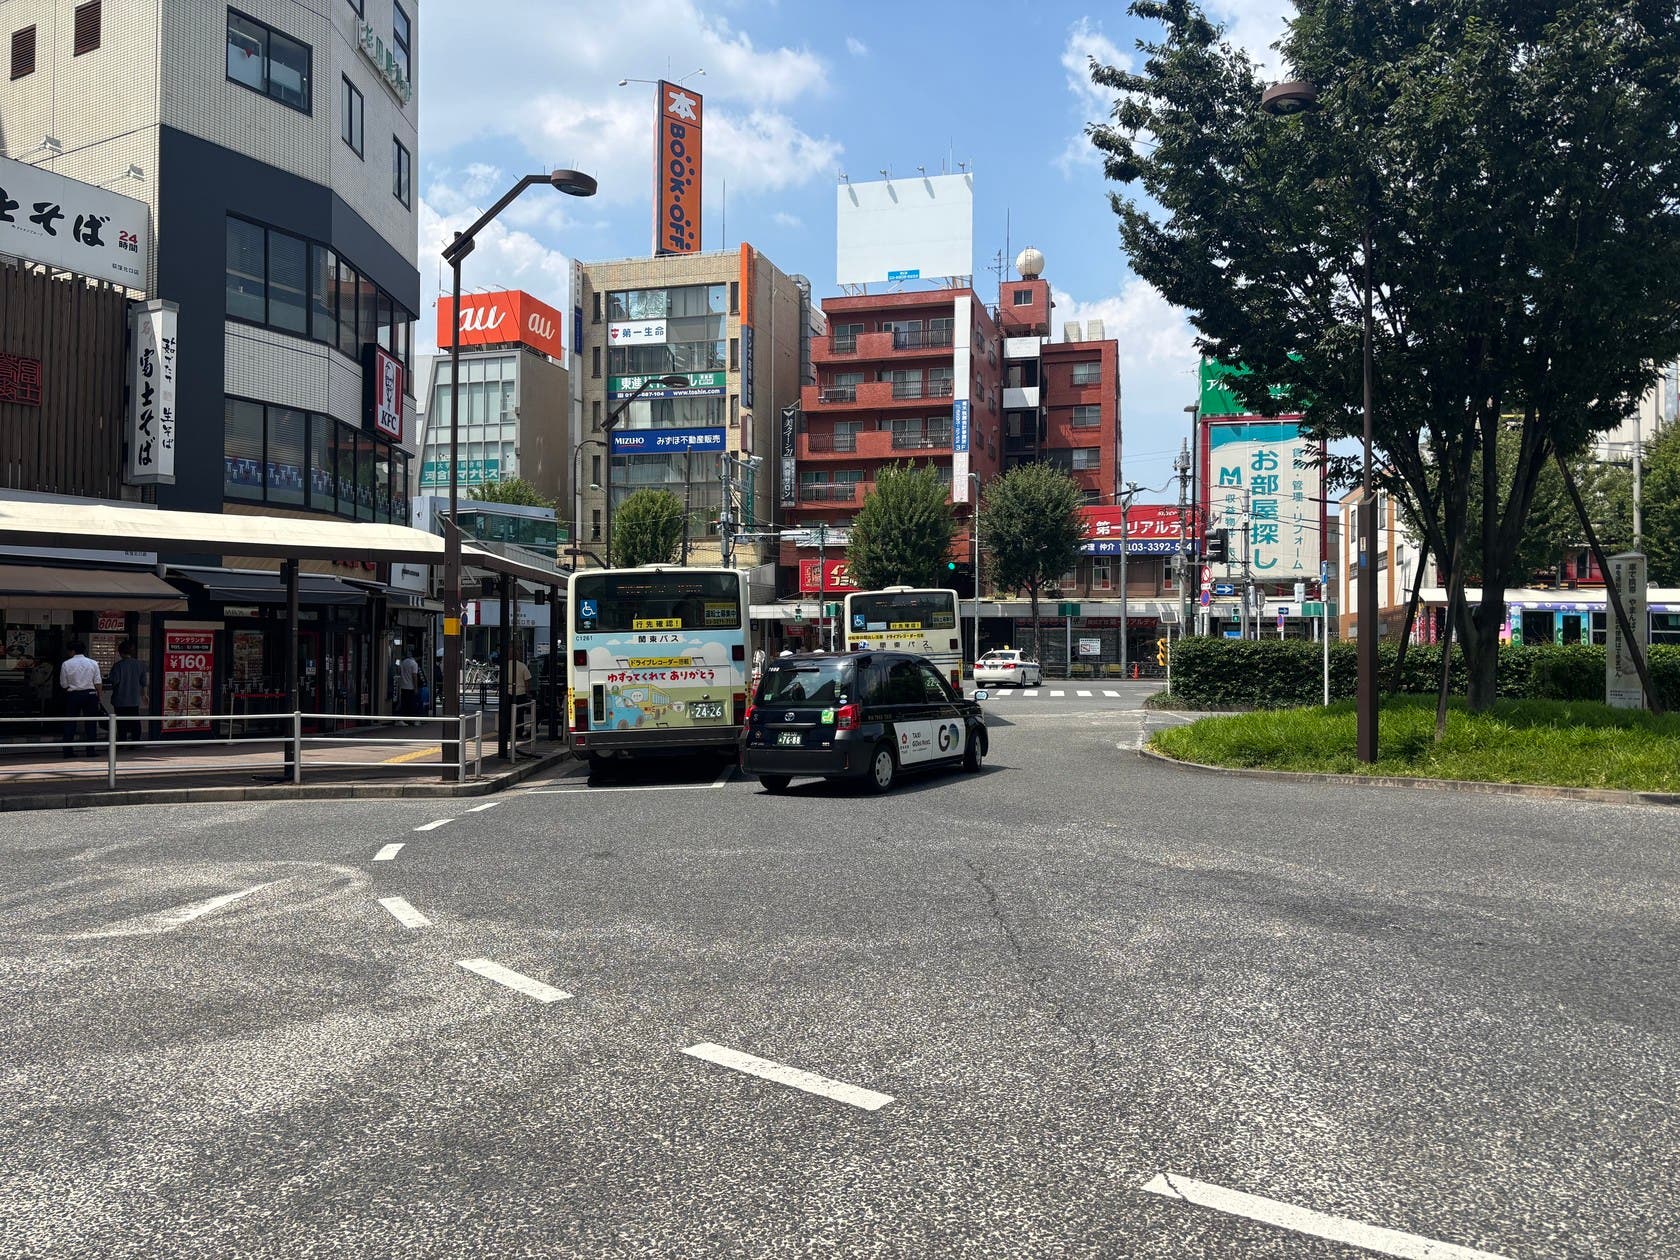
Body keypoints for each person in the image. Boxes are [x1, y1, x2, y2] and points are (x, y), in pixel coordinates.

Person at [59, 641, 103, 757]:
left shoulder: (66, 664)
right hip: (90, 694)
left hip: (73, 694)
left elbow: (64, 684)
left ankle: (68, 751)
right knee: (91, 723)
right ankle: (90, 750)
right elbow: (98, 682)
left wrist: (71, 688)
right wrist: (99, 696)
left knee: (70, 723)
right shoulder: (93, 663)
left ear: (72, 651)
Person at [107, 640, 147, 743]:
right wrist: (144, 695)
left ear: (120, 652)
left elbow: (114, 680)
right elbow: (143, 682)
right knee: (135, 720)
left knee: (121, 722)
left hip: (120, 699)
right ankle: (135, 741)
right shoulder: (140, 664)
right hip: (134, 698)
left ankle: (122, 741)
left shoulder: (118, 666)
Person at [397, 644, 421, 725]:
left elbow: (400, 672)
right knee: (412, 704)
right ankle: (412, 720)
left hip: (403, 686)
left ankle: (402, 720)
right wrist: (416, 688)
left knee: (404, 703)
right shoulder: (414, 664)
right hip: (410, 687)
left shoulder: (403, 662)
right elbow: (414, 676)